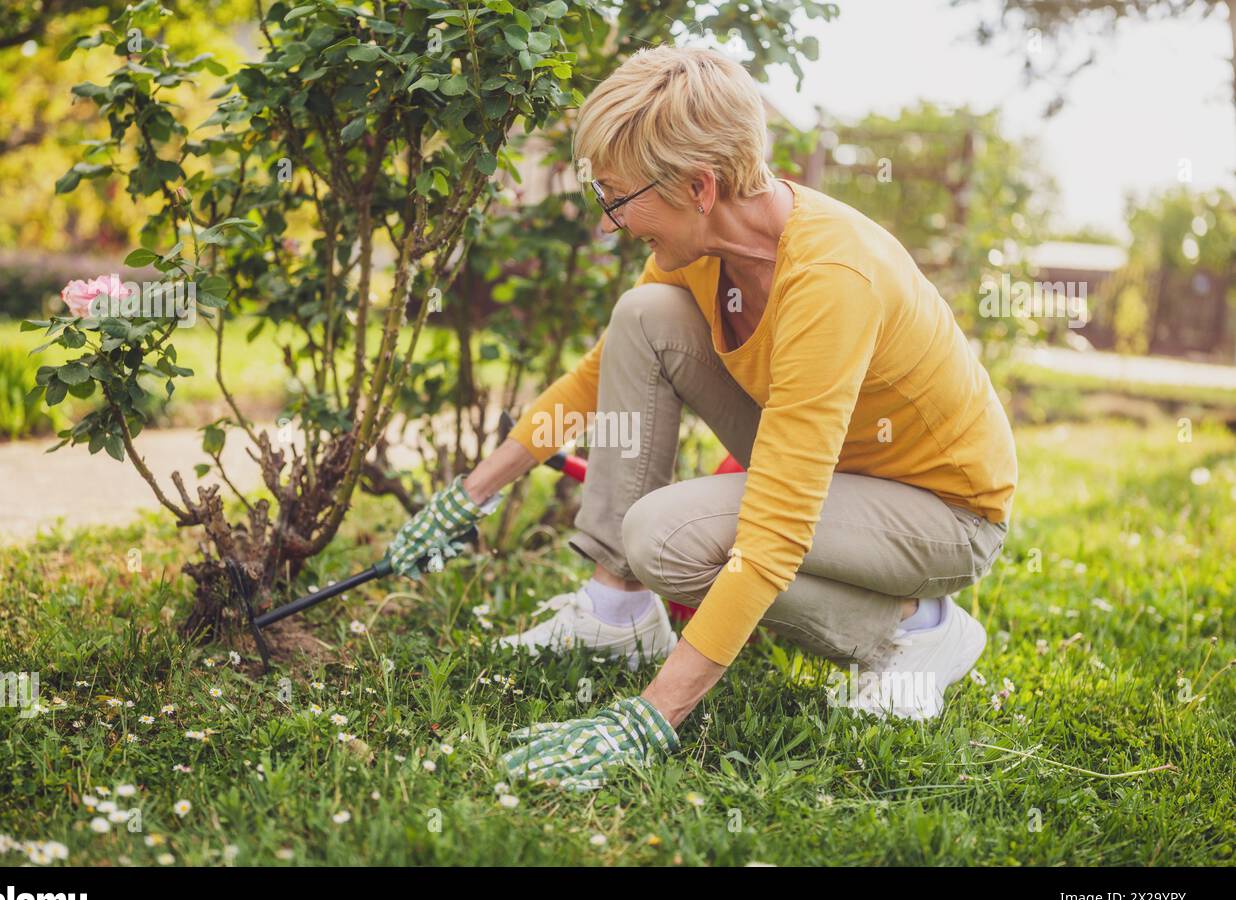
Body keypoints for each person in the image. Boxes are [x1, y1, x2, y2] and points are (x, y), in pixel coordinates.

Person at [387, 45, 1017, 791]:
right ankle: (613, 610)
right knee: (643, 314)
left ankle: (916, 632)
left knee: (667, 538)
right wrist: (472, 493)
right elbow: (598, 376)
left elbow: (777, 529)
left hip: (939, 511)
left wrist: (655, 715)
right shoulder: (703, 250)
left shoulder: (829, 279)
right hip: (842, 468)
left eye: (618, 199)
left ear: (698, 185)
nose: (612, 223)